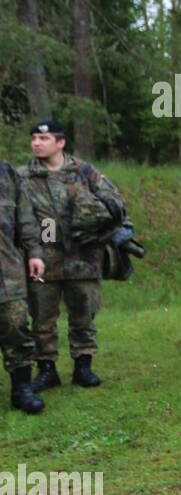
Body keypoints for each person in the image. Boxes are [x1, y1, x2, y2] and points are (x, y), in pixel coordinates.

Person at [20, 119, 127, 391]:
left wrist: (92, 218)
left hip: (83, 257)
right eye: (34, 138)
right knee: (42, 317)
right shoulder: (24, 177)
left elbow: (116, 204)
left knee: (84, 313)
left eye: (44, 139)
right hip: (42, 259)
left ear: (61, 142)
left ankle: (83, 366)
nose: (36, 143)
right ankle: (46, 369)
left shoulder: (85, 172)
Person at [1, 158, 45, 413]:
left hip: (7, 270)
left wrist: (35, 252)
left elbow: (25, 218)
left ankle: (22, 389)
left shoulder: (6, 172)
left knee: (16, 326)